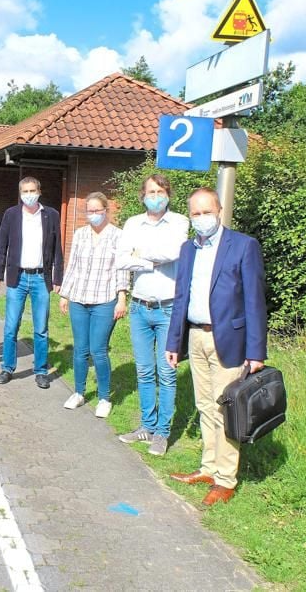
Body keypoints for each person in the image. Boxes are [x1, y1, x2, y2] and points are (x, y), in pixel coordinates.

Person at [164, 187, 268, 506]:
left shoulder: (243, 246)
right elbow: (181, 296)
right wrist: (173, 342)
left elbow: (254, 300)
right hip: (196, 336)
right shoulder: (188, 249)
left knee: (225, 410)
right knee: (204, 406)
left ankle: (225, 479)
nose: (201, 218)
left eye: (206, 211)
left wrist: (255, 352)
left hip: (229, 339)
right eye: (195, 213)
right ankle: (208, 468)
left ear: (219, 211)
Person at [115, 175, 190, 456]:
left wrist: (139, 253)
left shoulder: (180, 222)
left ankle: (162, 433)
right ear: (142, 195)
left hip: (168, 307)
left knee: (167, 373)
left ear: (168, 194)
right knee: (145, 371)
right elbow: (121, 259)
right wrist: (151, 259)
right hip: (139, 306)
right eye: (150, 191)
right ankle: (146, 425)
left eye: (160, 191)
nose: (155, 196)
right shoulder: (133, 223)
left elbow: (173, 252)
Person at [57, 192, 128, 418]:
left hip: (104, 300)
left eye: (98, 211)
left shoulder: (118, 236)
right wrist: (65, 294)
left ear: (106, 210)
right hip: (79, 298)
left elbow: (122, 269)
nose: (94, 215)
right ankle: (78, 392)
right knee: (80, 349)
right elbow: (73, 265)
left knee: (98, 350)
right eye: (90, 211)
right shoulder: (80, 235)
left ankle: (104, 397)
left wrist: (122, 298)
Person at [0, 176, 64, 389]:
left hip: (41, 278)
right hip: (18, 277)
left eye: (33, 191)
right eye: (25, 191)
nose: (29, 195)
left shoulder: (51, 215)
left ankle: (41, 370)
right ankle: (7, 367)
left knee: (41, 328)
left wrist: (57, 277)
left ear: (39, 191)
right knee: (11, 326)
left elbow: (57, 249)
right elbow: (1, 247)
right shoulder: (11, 215)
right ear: (20, 193)